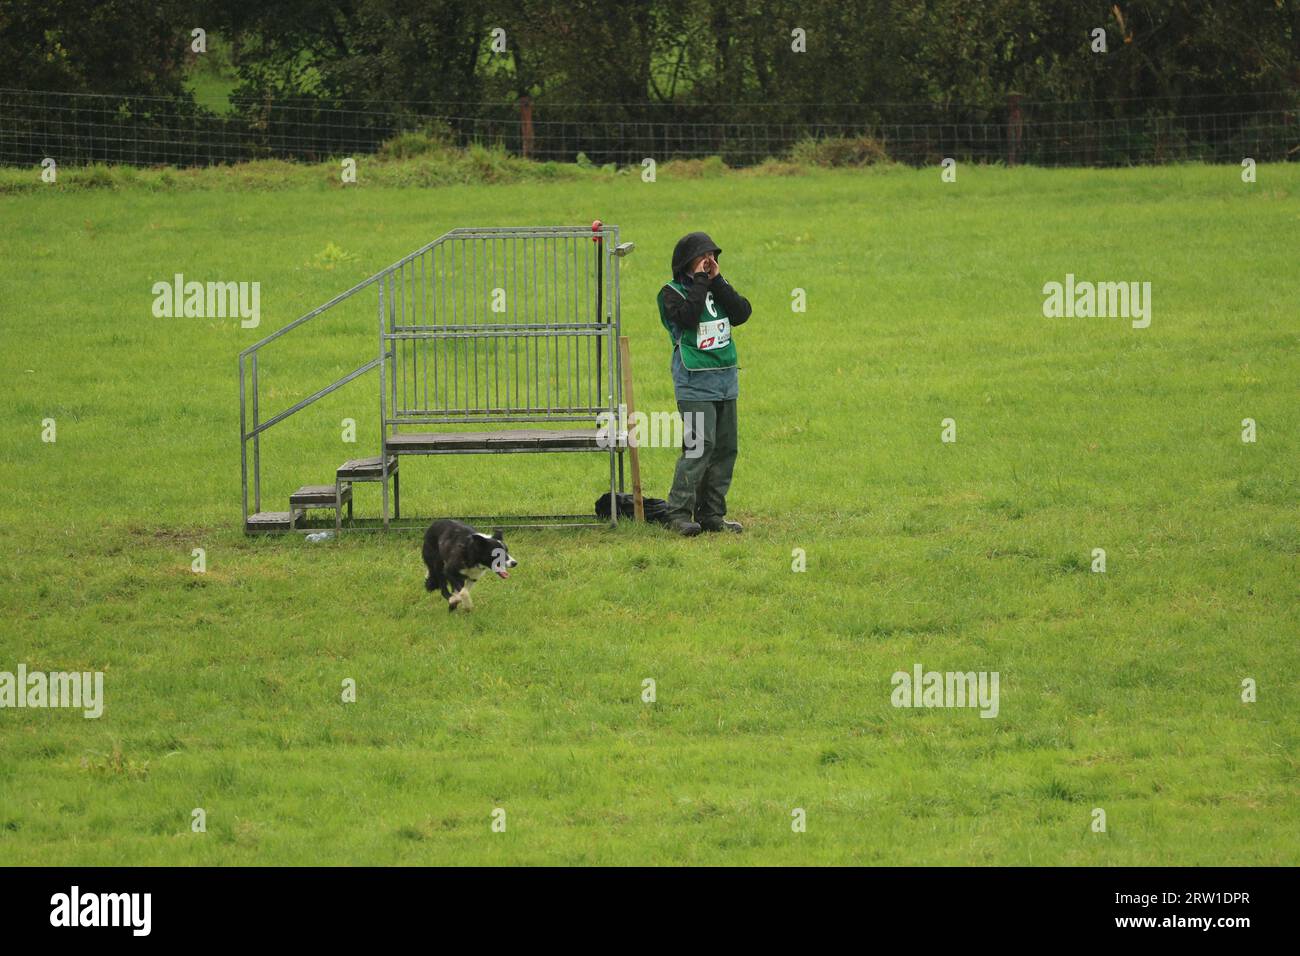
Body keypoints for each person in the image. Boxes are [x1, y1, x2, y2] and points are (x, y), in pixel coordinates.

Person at [656, 232, 752, 536]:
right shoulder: (671, 292)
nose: (709, 261)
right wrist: (699, 282)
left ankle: (712, 514)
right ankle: (678, 512)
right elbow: (687, 317)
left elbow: (741, 312)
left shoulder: (717, 288)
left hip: (725, 379)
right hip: (694, 382)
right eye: (702, 256)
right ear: (687, 262)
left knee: (725, 448)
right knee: (700, 446)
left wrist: (718, 281)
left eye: (713, 255)